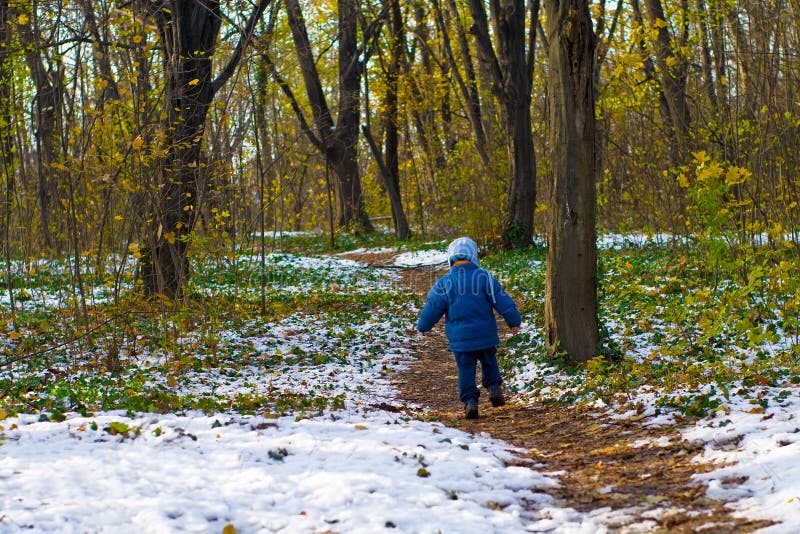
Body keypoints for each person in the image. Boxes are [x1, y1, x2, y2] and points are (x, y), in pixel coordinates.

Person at [417, 237, 521, 419]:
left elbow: (432, 307)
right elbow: (502, 300)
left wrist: (424, 326)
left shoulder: (444, 283)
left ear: (451, 259)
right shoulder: (484, 277)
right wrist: (514, 321)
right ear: (473, 257)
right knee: (489, 361)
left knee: (466, 369)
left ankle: (470, 401)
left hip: (461, 340)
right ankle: (494, 387)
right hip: (486, 335)